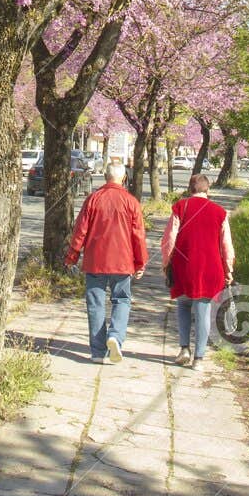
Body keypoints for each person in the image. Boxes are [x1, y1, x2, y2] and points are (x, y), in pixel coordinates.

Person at [66, 156, 148, 363]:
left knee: (95, 304)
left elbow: (80, 231)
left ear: (105, 177)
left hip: (95, 260)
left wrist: (72, 256)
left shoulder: (93, 199)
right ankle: (115, 336)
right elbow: (138, 235)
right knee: (121, 300)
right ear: (124, 178)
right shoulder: (131, 202)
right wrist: (140, 262)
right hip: (122, 261)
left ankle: (97, 352)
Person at [160, 171, 235, 368]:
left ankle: (184, 348)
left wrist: (166, 263)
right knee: (203, 311)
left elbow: (169, 240)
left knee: (183, 306)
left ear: (190, 189)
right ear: (207, 189)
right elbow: (226, 245)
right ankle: (199, 358)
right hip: (210, 268)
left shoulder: (180, 207)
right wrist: (228, 270)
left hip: (183, 267)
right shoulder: (220, 212)